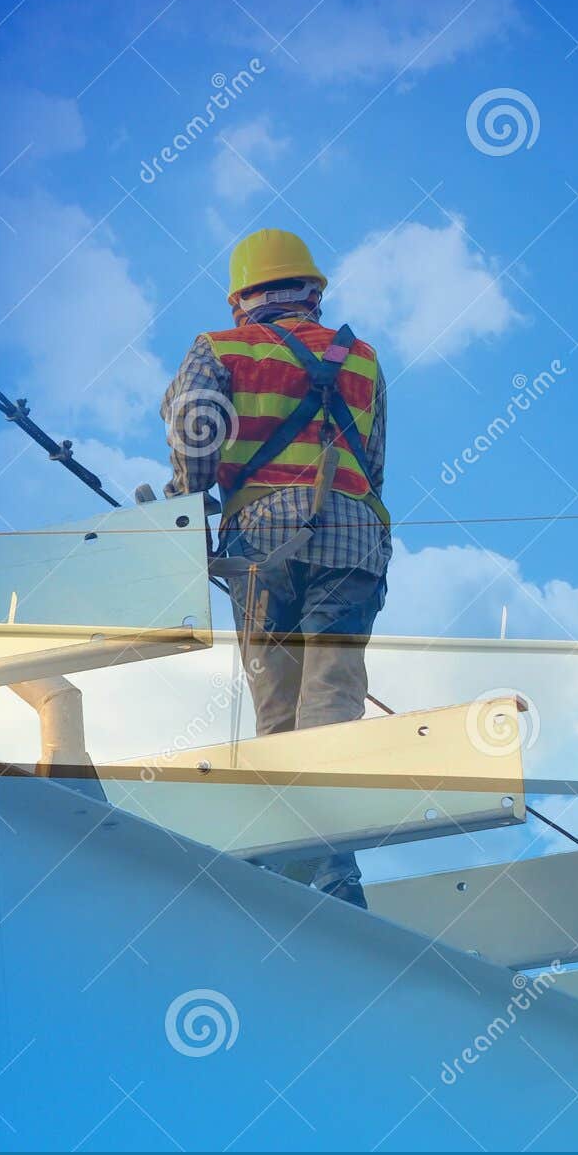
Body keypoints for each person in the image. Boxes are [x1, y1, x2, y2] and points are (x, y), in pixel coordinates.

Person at [161, 228, 391, 909]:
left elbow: (194, 431)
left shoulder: (219, 348)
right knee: (333, 694)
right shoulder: (365, 360)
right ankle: (326, 868)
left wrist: (184, 499)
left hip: (261, 545)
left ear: (241, 298)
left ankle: (309, 868)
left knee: (278, 710)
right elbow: (372, 465)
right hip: (353, 539)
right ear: (313, 292)